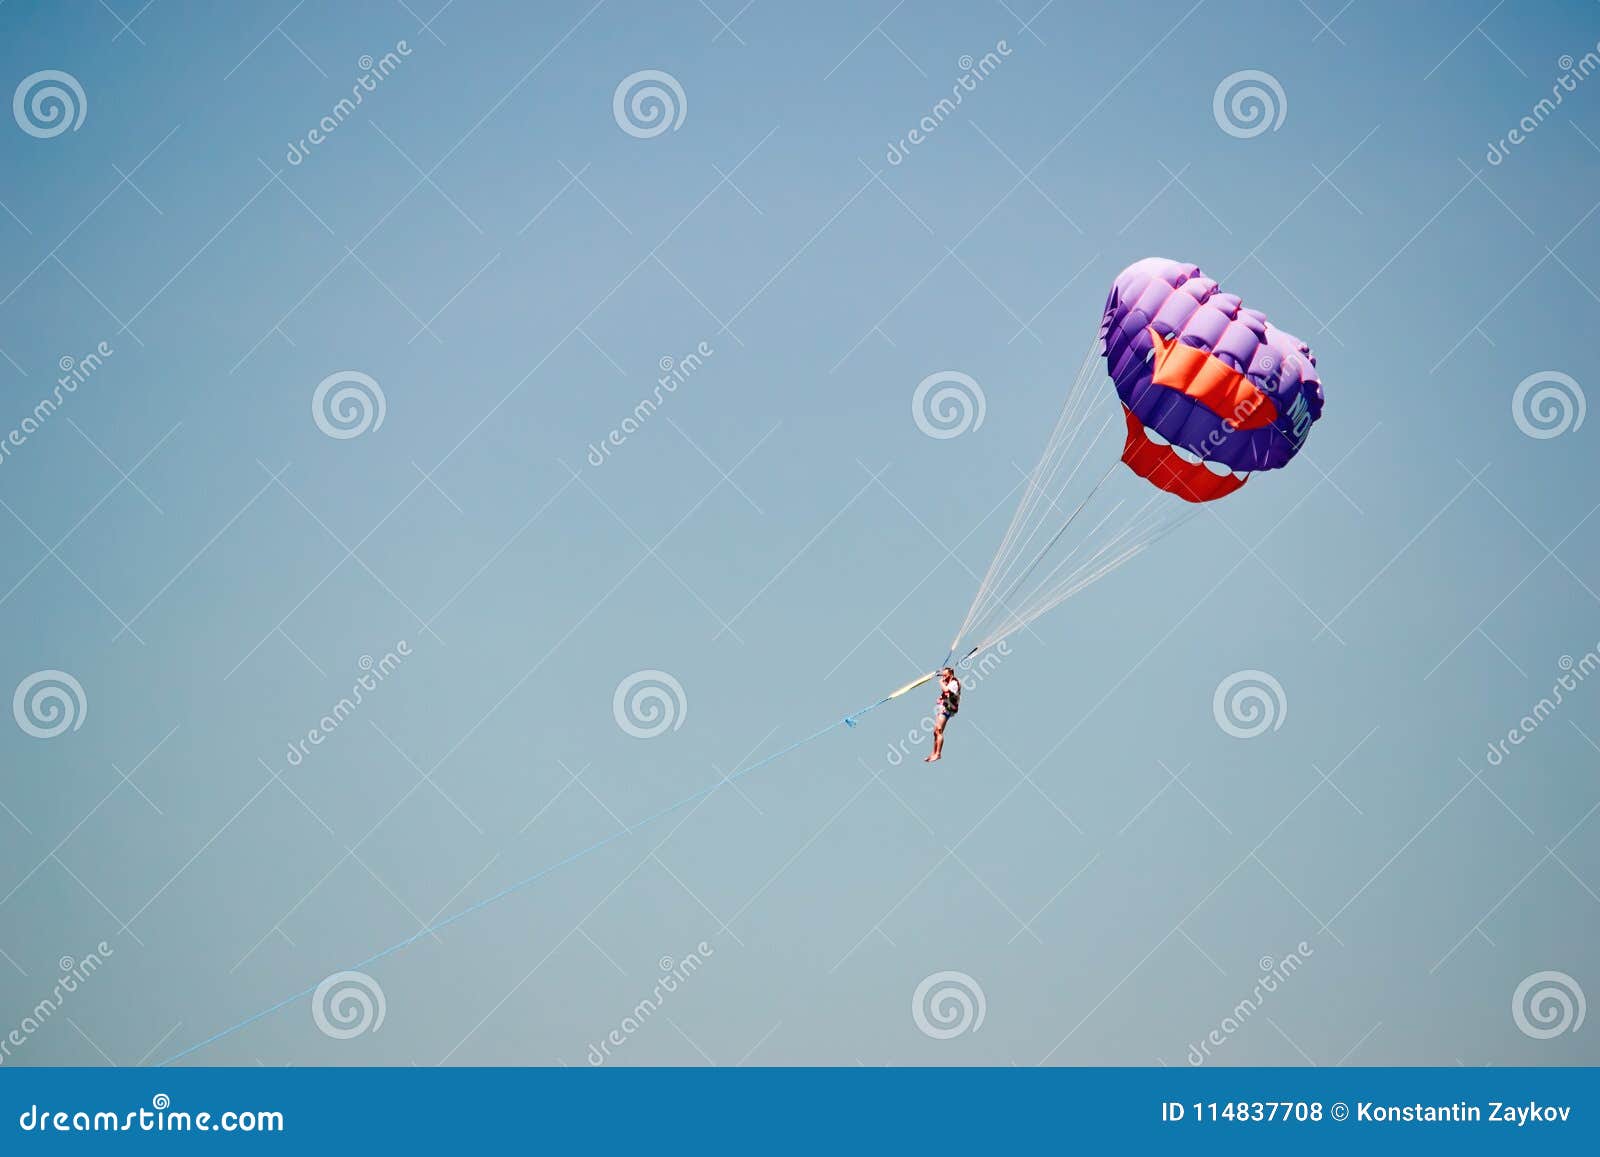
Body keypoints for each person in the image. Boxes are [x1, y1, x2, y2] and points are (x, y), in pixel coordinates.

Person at [924, 667, 961, 762]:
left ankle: (938, 754)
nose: (944, 677)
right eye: (943, 675)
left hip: (948, 709)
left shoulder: (954, 683)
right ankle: (933, 753)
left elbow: (947, 691)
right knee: (935, 731)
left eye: (945, 675)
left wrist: (941, 682)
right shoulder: (948, 681)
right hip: (942, 707)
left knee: (939, 730)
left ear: (951, 674)